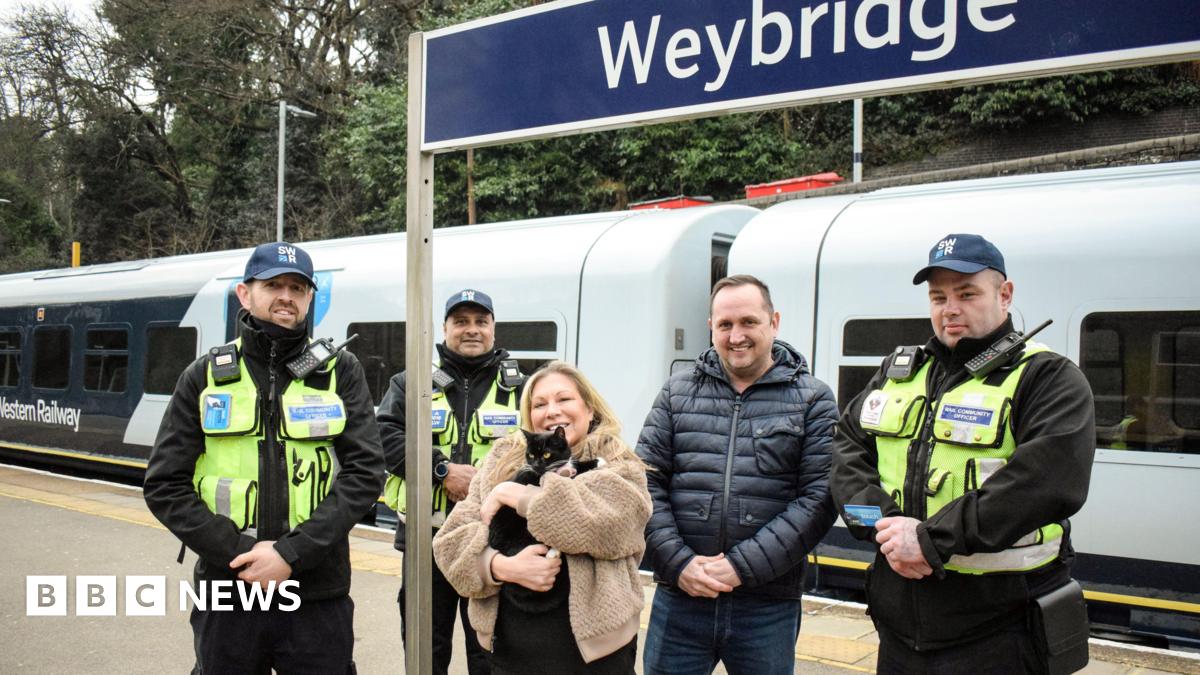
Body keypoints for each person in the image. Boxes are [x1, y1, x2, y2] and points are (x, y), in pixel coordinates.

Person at [831, 233, 1096, 673]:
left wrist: (928, 542)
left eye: (966, 293)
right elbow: (845, 448)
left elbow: (1047, 482)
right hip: (899, 627)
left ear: (1004, 294)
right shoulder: (899, 373)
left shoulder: (1047, 378)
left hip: (999, 630)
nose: (949, 308)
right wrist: (881, 528)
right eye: (938, 296)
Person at [144, 241, 384, 673]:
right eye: (273, 284)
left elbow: (365, 474)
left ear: (311, 298)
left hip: (316, 591)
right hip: (229, 588)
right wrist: (240, 552)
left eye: (298, 287)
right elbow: (164, 485)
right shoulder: (203, 376)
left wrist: (291, 554)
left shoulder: (341, 371)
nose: (286, 296)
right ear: (244, 294)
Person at [637, 274, 838, 675]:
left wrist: (740, 567)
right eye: (725, 325)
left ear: (774, 322)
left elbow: (818, 499)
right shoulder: (677, 393)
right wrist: (679, 565)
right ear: (711, 327)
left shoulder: (813, 399)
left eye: (748, 322)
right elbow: (644, 483)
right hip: (681, 598)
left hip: (767, 605)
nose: (736, 336)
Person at [432, 361, 651, 674]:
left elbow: (604, 528)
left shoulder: (618, 464)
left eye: (564, 399)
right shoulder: (501, 460)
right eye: (539, 404)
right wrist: (500, 566)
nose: (552, 411)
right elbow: (449, 544)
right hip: (507, 654)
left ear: (589, 409)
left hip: (596, 658)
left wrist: (519, 496)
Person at [377, 289, 525, 675]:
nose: (471, 330)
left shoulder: (522, 389)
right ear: (444, 329)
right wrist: (440, 471)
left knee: (490, 651)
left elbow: (541, 452)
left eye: (481, 321)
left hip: (495, 542)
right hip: (427, 540)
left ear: (494, 329)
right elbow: (383, 436)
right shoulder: (411, 382)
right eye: (461, 322)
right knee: (426, 648)